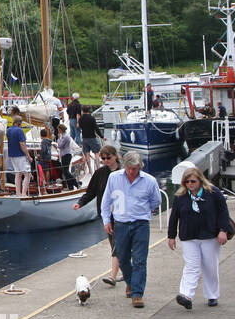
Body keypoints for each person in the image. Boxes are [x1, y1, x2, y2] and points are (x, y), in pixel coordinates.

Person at [101, 151, 163, 308]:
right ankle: (130, 282)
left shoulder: (149, 181)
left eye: (134, 169)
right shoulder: (114, 178)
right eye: (129, 168)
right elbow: (106, 200)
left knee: (140, 260)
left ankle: (137, 293)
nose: (131, 172)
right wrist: (107, 220)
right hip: (121, 223)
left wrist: (144, 210)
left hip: (141, 223)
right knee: (122, 258)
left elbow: (156, 200)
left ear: (139, 167)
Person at [166, 166, 231, 308]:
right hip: (189, 236)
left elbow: (223, 213)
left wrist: (223, 230)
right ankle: (186, 295)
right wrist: (171, 236)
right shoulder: (180, 197)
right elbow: (174, 217)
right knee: (191, 266)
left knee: (210, 267)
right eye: (187, 182)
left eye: (193, 181)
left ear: (200, 181)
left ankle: (212, 295)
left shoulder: (213, 193)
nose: (190, 184)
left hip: (209, 236)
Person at [74, 144, 121, 285]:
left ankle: (113, 276)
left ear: (115, 157)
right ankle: (122, 271)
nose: (106, 160)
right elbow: (91, 192)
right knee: (115, 243)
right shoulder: (100, 173)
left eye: (108, 158)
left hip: (123, 213)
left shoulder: (124, 172)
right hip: (107, 214)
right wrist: (81, 203)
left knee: (117, 244)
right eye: (103, 158)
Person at [6, 113, 29, 197]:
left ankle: (18, 193)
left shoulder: (8, 131)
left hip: (12, 154)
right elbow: (22, 144)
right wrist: (28, 156)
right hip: (20, 154)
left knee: (18, 174)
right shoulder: (19, 131)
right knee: (27, 174)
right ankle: (24, 194)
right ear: (19, 123)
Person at [78, 106, 102, 174]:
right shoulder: (91, 118)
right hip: (92, 137)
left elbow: (80, 127)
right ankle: (98, 169)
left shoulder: (80, 119)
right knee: (96, 153)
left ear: (82, 111)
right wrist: (101, 136)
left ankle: (90, 170)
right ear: (88, 111)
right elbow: (96, 128)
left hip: (84, 138)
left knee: (87, 154)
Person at [56, 123, 78, 189]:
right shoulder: (63, 136)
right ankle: (70, 186)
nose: (58, 131)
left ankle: (76, 183)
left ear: (60, 129)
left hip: (66, 155)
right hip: (64, 155)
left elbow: (60, 145)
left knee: (66, 171)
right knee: (65, 172)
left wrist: (58, 140)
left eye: (58, 129)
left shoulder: (65, 137)